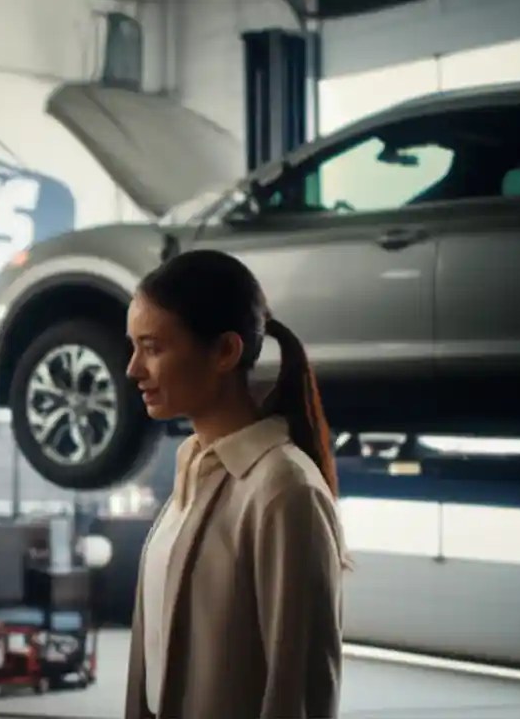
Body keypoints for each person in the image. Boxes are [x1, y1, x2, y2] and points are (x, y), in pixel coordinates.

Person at [121, 249, 349, 719]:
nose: (133, 369)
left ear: (225, 351)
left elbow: (300, 692)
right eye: (134, 347)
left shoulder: (285, 491)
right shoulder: (194, 469)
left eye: (153, 348)